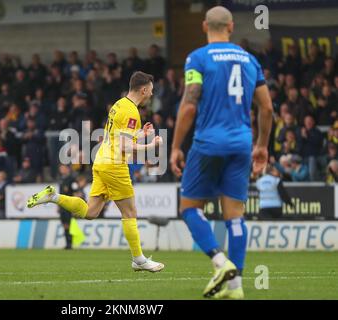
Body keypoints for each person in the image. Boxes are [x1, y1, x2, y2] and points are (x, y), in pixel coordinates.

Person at [169, 6, 273, 299]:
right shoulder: (250, 60)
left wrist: (176, 146)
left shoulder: (197, 58)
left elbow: (190, 104)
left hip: (208, 143)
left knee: (189, 208)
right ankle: (236, 288)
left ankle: (219, 260)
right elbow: (266, 108)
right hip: (241, 144)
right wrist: (262, 145)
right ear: (231, 26)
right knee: (235, 217)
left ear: (204, 26)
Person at [27, 71, 164, 272]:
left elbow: (118, 137)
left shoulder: (119, 105)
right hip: (114, 164)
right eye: (151, 91)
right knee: (130, 212)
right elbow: (125, 147)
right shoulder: (132, 112)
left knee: (90, 212)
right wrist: (151, 145)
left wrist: (141, 134)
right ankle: (139, 260)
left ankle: (53, 197)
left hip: (100, 161)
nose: (151, 94)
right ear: (143, 89)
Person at [57, 164, 79, 250]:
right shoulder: (61, 179)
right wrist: (58, 205)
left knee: (69, 224)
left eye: (63, 168)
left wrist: (75, 206)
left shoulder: (71, 179)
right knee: (64, 224)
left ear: (67, 169)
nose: (61, 170)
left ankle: (70, 244)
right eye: (60, 168)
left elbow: (75, 191)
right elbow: (60, 194)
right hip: (62, 205)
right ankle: (67, 244)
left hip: (69, 205)